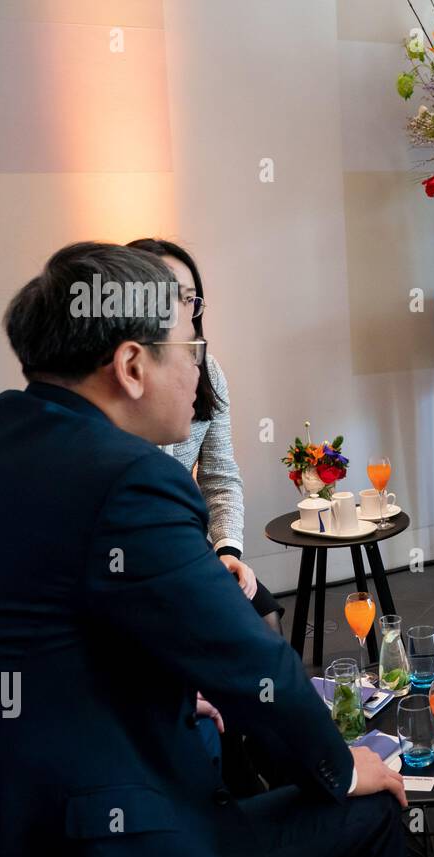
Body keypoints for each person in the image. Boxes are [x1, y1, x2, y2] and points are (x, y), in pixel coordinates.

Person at [0, 242, 407, 857]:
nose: (199, 369)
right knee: (369, 809)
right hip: (78, 840)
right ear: (131, 365)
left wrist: (163, 693)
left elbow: (39, 633)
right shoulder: (126, 479)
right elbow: (252, 666)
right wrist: (339, 767)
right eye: (189, 348)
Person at [126, 238, 286, 633]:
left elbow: (220, 474)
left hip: (191, 544)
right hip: (135, 555)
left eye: (190, 300)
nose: (182, 313)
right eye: (167, 299)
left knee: (264, 616)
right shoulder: (117, 382)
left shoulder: (206, 371)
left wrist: (227, 550)